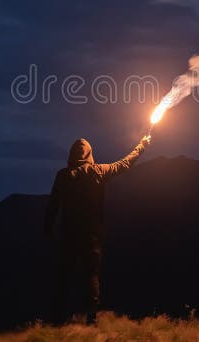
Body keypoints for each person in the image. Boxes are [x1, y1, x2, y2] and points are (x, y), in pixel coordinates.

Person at [44, 135, 151, 325]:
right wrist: (142, 146)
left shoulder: (63, 175)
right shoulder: (98, 171)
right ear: (89, 153)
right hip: (92, 238)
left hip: (68, 236)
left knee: (64, 278)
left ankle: (57, 320)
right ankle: (91, 320)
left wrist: (47, 231)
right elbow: (125, 163)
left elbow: (53, 206)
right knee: (90, 278)